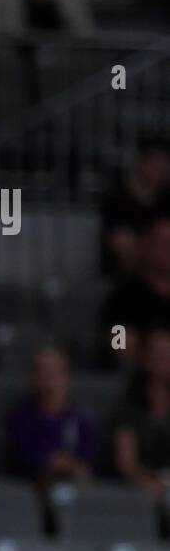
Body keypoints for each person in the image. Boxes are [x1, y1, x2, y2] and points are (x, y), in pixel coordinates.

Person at [4, 344, 94, 488]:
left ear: (66, 377)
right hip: (26, 493)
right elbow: (25, 460)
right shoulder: (19, 418)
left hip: (73, 491)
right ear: (33, 378)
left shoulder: (80, 420)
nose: (49, 380)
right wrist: (55, 463)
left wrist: (71, 467)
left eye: (55, 373)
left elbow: (85, 465)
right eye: (43, 372)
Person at [110, 326, 170, 506]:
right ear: (144, 358)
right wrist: (147, 482)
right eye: (156, 352)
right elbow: (126, 462)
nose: (162, 358)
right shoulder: (128, 407)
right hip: (140, 489)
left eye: (167, 352)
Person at [99, 138, 170, 276]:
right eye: (156, 165)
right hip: (123, 278)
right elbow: (124, 250)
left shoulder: (166, 199)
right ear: (141, 162)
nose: (161, 172)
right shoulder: (117, 199)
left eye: (165, 166)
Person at [101, 218, 170, 357]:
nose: (167, 250)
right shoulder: (124, 294)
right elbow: (116, 340)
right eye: (161, 244)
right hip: (140, 368)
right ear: (145, 246)